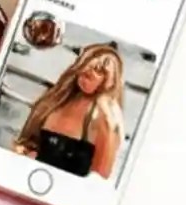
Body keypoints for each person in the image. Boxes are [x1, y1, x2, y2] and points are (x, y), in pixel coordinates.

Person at [13, 44, 125, 179]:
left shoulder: (106, 114)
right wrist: (25, 156)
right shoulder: (55, 99)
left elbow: (99, 179)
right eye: (87, 63)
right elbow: (25, 142)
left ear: (110, 81)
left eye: (100, 70)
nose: (89, 71)